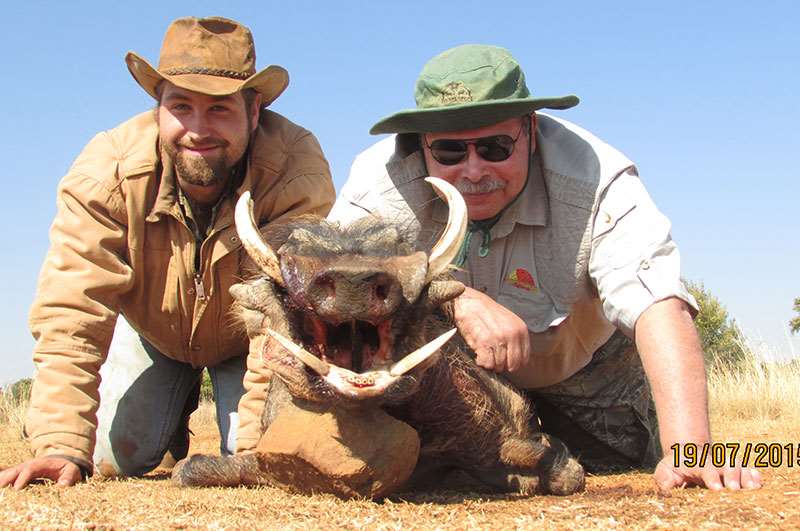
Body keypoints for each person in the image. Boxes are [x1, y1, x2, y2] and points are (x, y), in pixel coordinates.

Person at [328, 44, 762, 492]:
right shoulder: (377, 185)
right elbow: (336, 274)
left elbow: (657, 303)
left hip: (581, 371)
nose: (473, 171)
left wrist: (692, 449)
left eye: (495, 148)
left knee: (619, 460)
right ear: (421, 145)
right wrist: (455, 298)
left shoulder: (597, 178)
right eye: (449, 151)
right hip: (451, 374)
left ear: (531, 130)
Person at [0, 16, 335, 489]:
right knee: (112, 457)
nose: (198, 130)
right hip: (152, 333)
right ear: (158, 106)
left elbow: (284, 314)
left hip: (248, 343)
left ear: (254, 111)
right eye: (181, 106)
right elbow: (72, 308)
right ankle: (170, 415)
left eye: (219, 108)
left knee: (253, 455)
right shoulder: (107, 169)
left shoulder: (294, 168)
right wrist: (60, 442)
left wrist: (253, 452)